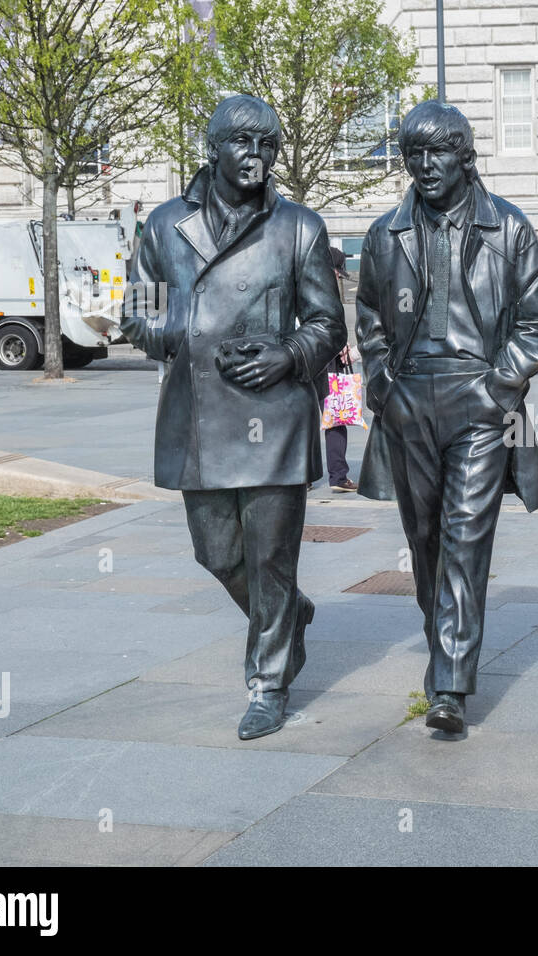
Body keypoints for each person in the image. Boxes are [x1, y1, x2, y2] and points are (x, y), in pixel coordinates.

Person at [122, 94, 345, 740]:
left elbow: (328, 324)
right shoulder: (164, 226)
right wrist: (183, 330)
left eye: (269, 146)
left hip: (274, 413)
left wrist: (286, 354)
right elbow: (137, 311)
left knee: (271, 554)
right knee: (217, 552)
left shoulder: (298, 227)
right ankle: (289, 613)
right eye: (244, 143)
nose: (258, 157)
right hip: (200, 416)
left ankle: (269, 682)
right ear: (213, 148)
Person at [355, 100, 538, 735]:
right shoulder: (386, 234)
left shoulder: (511, 229)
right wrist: (383, 378)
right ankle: (444, 643)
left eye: (437, 151)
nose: (424, 164)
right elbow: (369, 316)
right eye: (413, 153)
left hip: (480, 400)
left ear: (465, 155)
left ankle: (449, 683)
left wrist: (501, 385)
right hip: (410, 400)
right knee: (426, 542)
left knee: (466, 539)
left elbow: (535, 317)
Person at [323, 246, 357, 493]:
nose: (338, 276)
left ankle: (300, 477)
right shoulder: (327, 291)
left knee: (302, 420)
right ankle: (338, 476)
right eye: (337, 271)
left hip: (303, 358)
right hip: (328, 359)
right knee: (336, 418)